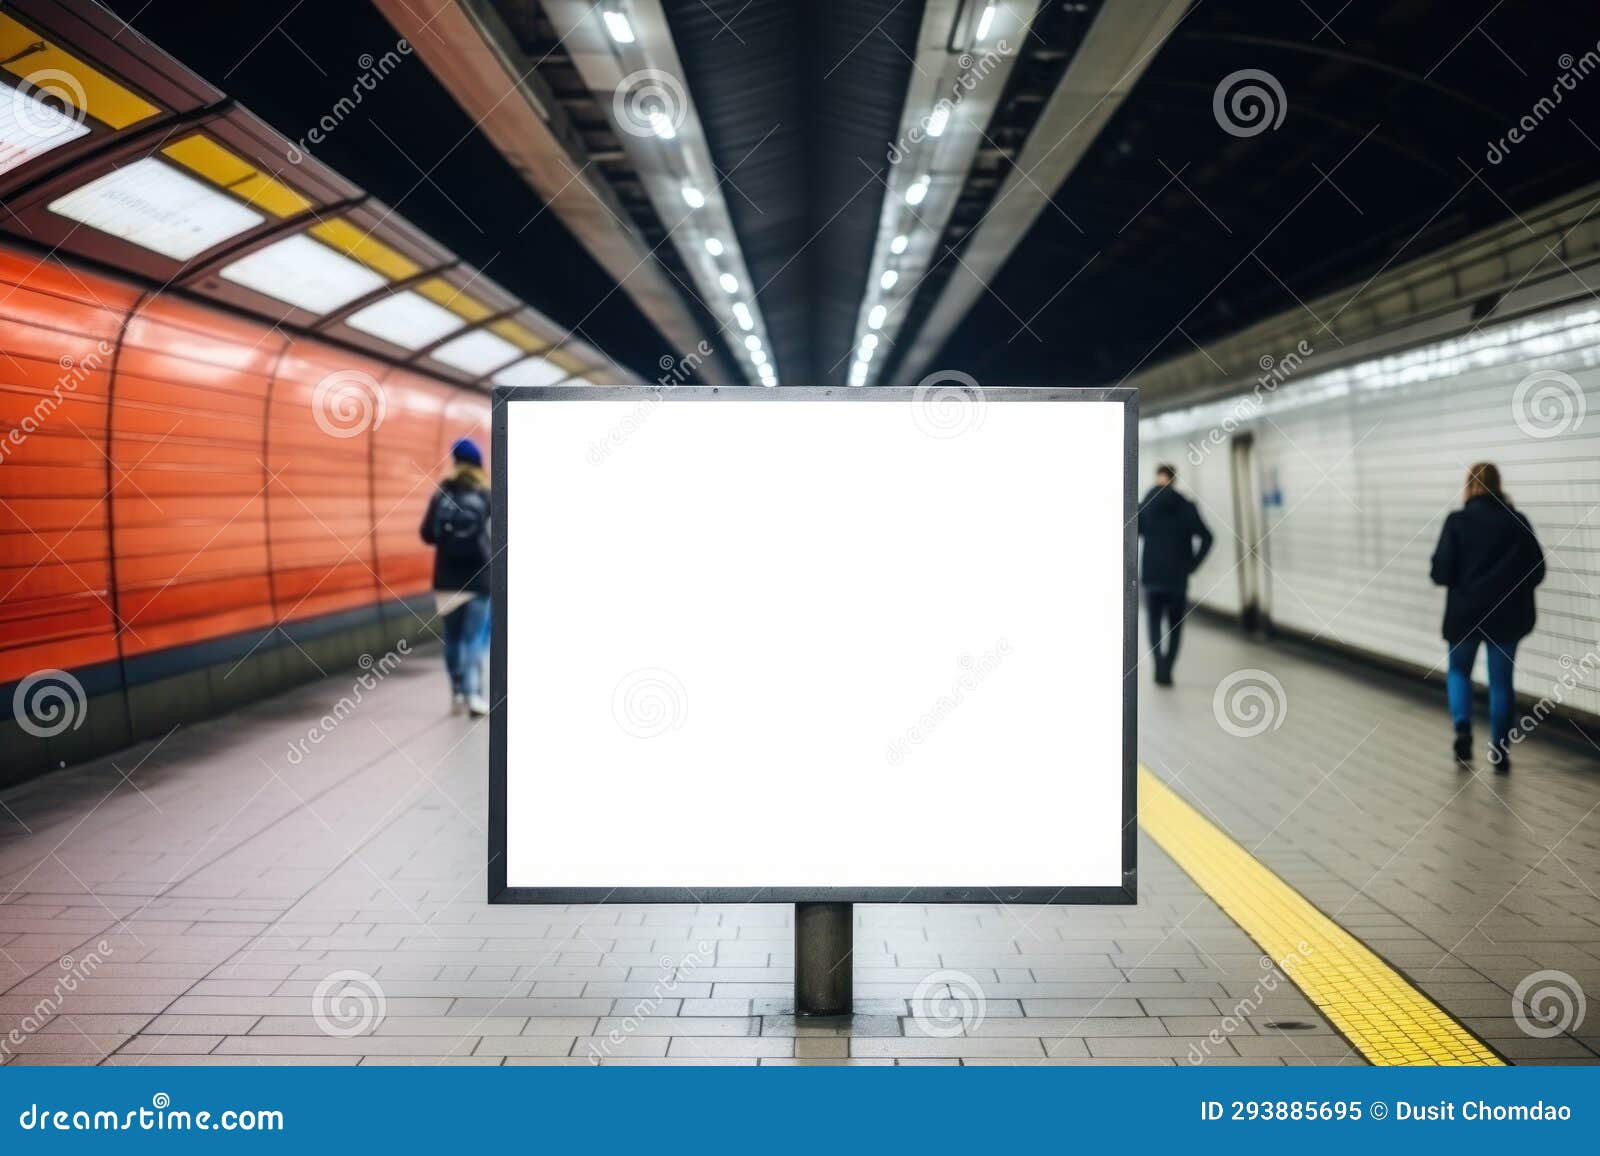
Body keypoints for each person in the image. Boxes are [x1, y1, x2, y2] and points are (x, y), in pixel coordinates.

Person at [1429, 462, 1545, 772]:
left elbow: (1440, 572)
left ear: (1469, 486)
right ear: (1498, 485)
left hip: (1464, 614)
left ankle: (1463, 729)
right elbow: (1538, 570)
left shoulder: (1457, 522)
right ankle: (1500, 753)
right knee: (1501, 684)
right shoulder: (1516, 521)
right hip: (1507, 616)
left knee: (1458, 671)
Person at [421, 438, 492, 718]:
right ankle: (474, 695)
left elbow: (427, 534)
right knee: (474, 638)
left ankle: (458, 693)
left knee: (452, 639)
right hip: (478, 578)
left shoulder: (442, 494)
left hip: (447, 581)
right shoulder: (486, 494)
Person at [1137, 463, 1214, 686]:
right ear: (1175, 479)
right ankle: (1168, 669)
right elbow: (1208, 537)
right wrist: (1192, 565)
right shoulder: (1186, 506)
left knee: (1153, 623)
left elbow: (1136, 529)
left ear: (1157, 478)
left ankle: (1158, 666)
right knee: (1175, 626)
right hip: (1177, 578)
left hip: (1152, 575)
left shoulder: (1147, 503)